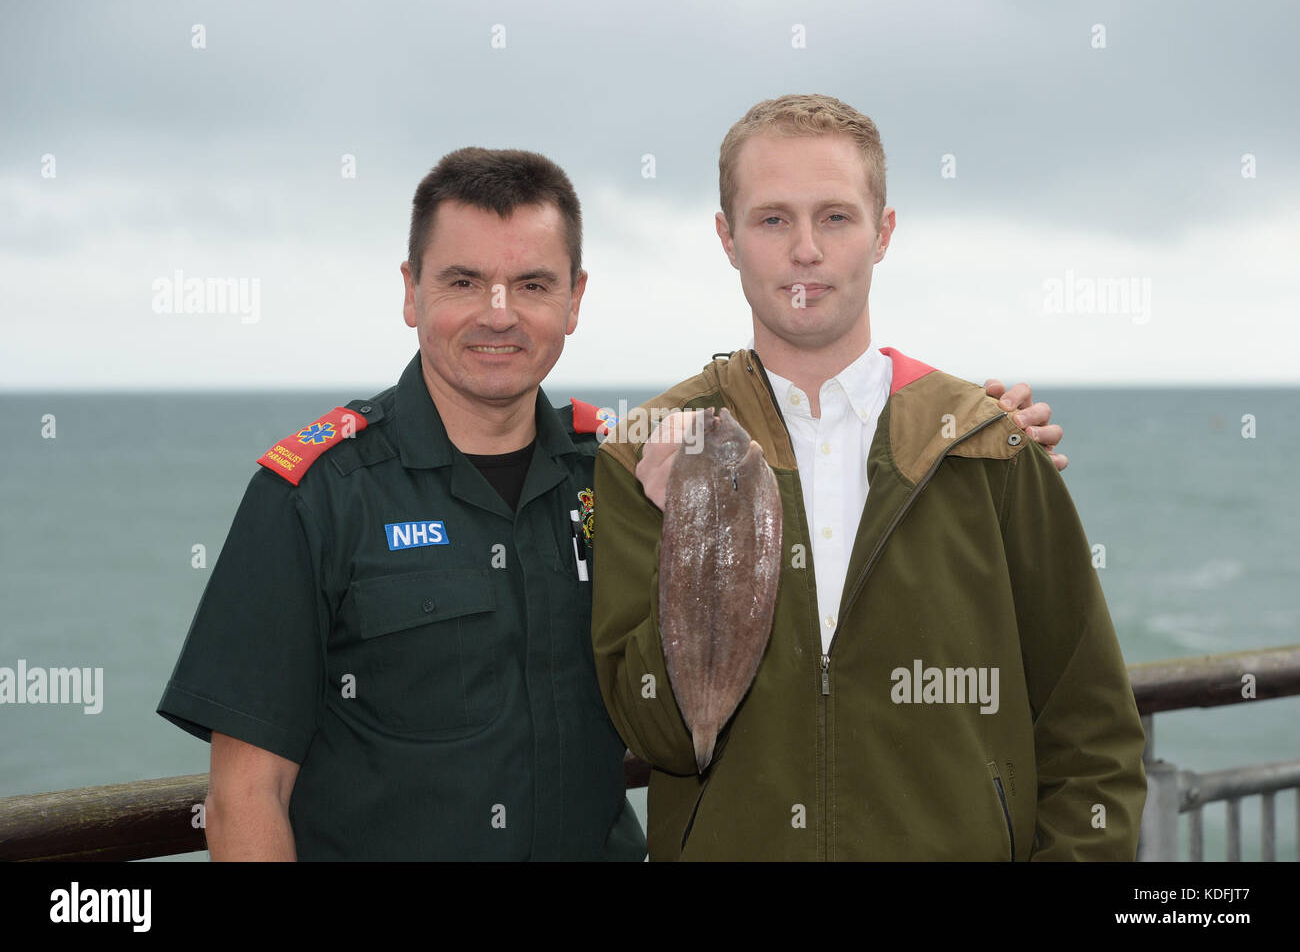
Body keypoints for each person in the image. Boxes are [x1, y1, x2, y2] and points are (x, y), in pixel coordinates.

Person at [590, 94, 1147, 861]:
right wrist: (701, 529)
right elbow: (659, 732)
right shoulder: (644, 451)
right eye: (772, 219)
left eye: (837, 217)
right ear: (727, 238)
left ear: (883, 233)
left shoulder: (988, 446)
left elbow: (1094, 736)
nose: (806, 250)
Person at [157, 148, 644, 860]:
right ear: (412, 291)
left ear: (575, 298)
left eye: (533, 283)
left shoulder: (618, 477)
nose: (498, 314)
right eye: (464, 281)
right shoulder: (316, 496)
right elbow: (245, 799)